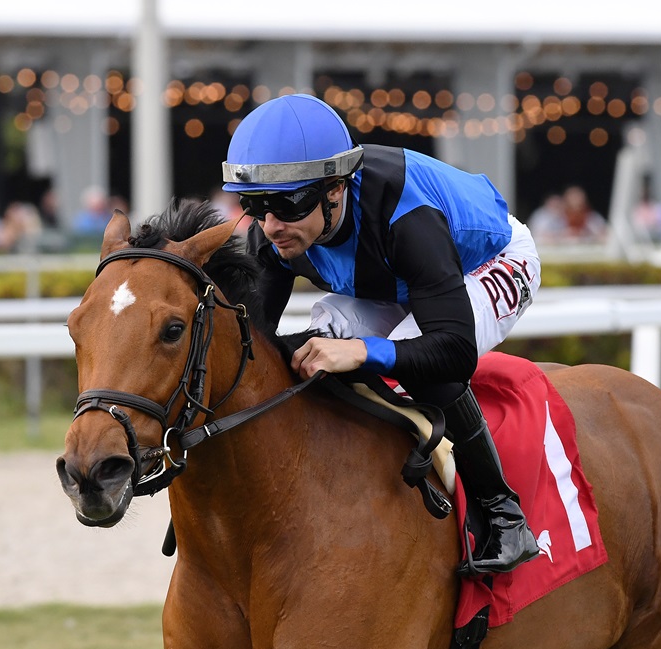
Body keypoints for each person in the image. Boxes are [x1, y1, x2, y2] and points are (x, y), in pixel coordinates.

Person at [221, 93, 541, 575]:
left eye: (286, 204)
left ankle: (504, 514)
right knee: (317, 336)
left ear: (335, 189)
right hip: (404, 275)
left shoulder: (407, 217)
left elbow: (454, 351)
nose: (270, 226)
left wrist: (360, 351)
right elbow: (252, 344)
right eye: (256, 205)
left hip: (487, 260)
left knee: (416, 365)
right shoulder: (274, 233)